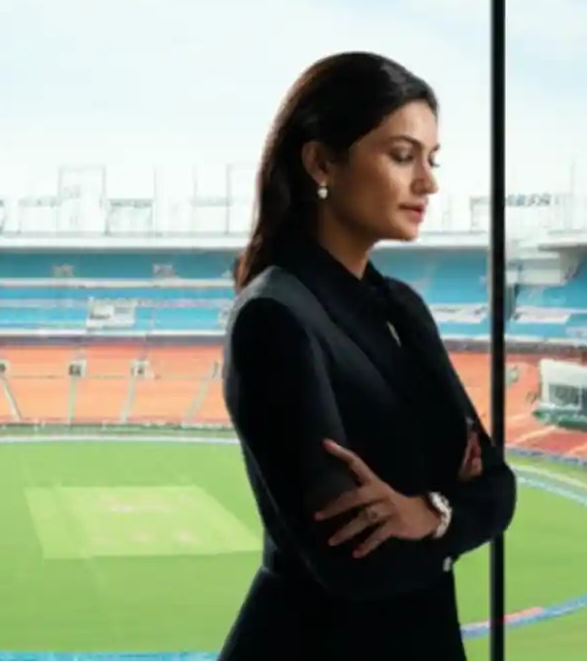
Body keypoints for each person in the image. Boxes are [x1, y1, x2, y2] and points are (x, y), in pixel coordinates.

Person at [218, 51, 518, 661]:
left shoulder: (403, 307)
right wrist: (457, 509)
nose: (428, 182)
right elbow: (354, 562)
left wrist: (427, 514)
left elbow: (500, 487)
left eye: (431, 160)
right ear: (321, 161)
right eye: (403, 156)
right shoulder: (274, 317)